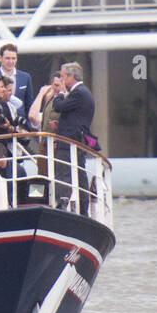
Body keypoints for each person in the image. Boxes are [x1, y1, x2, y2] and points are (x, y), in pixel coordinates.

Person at [52, 61, 96, 209]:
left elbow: (58, 107)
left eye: (63, 76)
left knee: (64, 174)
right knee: (78, 175)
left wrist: (60, 93)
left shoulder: (78, 93)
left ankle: (62, 204)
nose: (61, 80)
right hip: (76, 138)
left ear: (71, 77)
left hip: (71, 141)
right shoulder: (83, 92)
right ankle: (83, 208)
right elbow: (75, 117)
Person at [0, 43, 34, 113]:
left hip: (20, 121)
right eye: (7, 58)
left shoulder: (25, 77)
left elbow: (29, 103)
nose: (11, 61)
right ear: (0, 58)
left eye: (13, 58)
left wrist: (27, 122)